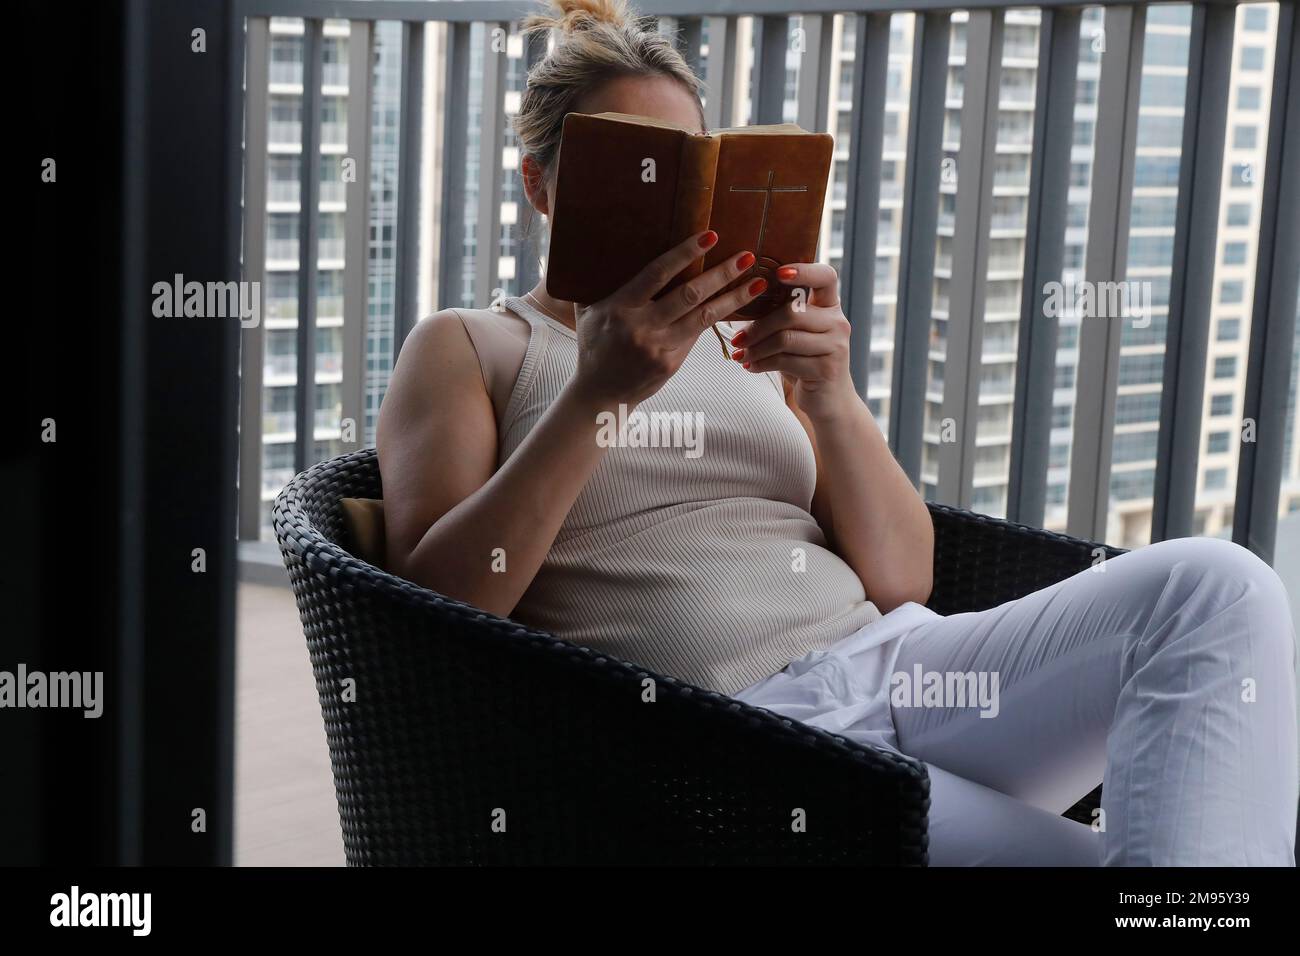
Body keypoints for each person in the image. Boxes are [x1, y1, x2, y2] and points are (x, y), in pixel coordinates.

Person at [376, 0, 1297, 865]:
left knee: (1219, 588)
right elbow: (443, 609)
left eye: (685, 165)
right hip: (750, 742)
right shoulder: (475, 346)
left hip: (899, 668)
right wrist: (596, 396)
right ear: (539, 184)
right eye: (633, 166)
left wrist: (829, 394)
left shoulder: (742, 342)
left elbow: (903, 579)